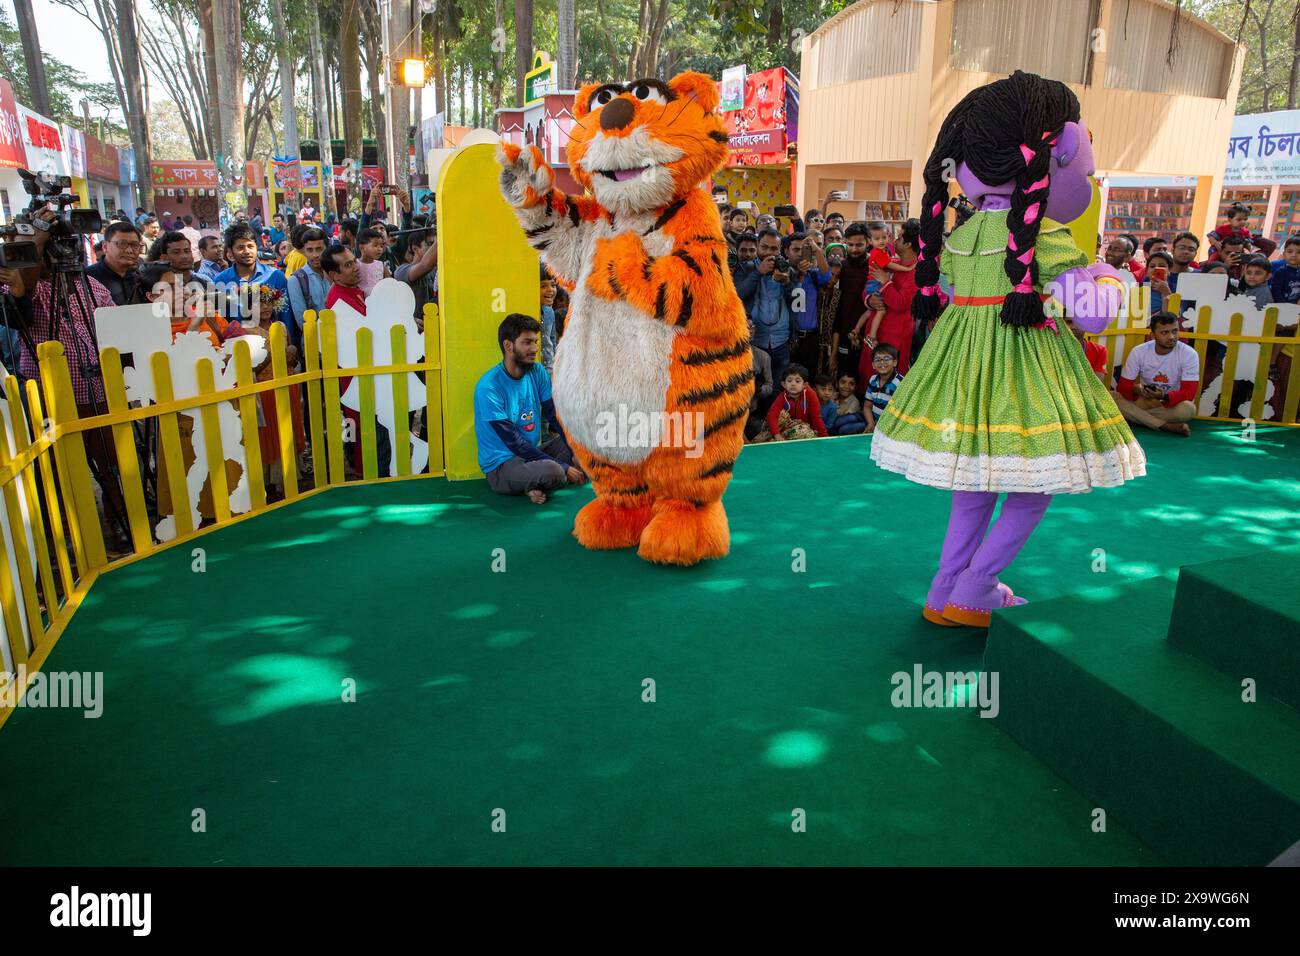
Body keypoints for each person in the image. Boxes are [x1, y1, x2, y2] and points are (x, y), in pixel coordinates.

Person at [870, 70, 1144, 629]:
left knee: (973, 483)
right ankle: (976, 588)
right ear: (1060, 152)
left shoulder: (962, 234)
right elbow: (1091, 315)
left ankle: (943, 587)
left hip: (965, 371)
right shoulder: (1046, 236)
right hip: (1026, 374)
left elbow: (949, 289)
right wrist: (1113, 278)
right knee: (1031, 486)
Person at [473, 313, 584, 503]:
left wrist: (575, 452)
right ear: (509, 346)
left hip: (531, 454)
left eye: (535, 341)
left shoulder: (537, 371)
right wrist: (565, 467)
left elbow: (555, 416)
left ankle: (532, 483)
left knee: (581, 443)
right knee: (554, 471)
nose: (534, 348)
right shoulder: (489, 387)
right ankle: (532, 481)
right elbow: (514, 443)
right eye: (527, 342)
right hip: (502, 464)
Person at [1113, 311, 1197, 436]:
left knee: (1188, 409)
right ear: (1152, 335)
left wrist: (1163, 396)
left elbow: (1189, 392)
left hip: (1169, 404)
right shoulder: (1139, 352)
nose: (1172, 337)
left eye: (1174, 331)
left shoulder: (1189, 354)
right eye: (1165, 332)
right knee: (1111, 396)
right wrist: (1136, 389)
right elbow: (1123, 387)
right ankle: (1164, 425)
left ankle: (1134, 417)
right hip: (1144, 400)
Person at [860, 218, 921, 375]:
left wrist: (886, 282)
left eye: (899, 237)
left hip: (893, 338)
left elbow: (901, 303)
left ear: (908, 244)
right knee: (868, 382)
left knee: (886, 387)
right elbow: (869, 286)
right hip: (875, 331)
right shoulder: (891, 261)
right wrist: (869, 300)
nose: (893, 240)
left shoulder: (916, 272)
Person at [734, 227, 797, 378]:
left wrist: (787, 282)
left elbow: (796, 301)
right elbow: (738, 296)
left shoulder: (787, 269)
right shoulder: (745, 268)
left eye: (774, 248)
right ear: (758, 246)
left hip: (781, 341)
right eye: (764, 247)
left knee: (778, 387)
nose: (769, 252)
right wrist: (758, 272)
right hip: (754, 341)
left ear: (780, 249)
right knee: (754, 389)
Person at [213, 223, 290, 336]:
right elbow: (219, 321)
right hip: (238, 346)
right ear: (230, 252)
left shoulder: (275, 276)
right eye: (240, 247)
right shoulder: (220, 281)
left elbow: (285, 315)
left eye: (250, 246)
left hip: (275, 343)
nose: (247, 251)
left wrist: (289, 344)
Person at [831, 222, 873, 386]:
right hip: (844, 333)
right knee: (843, 380)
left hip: (869, 332)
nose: (855, 249)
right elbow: (837, 308)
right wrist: (834, 351)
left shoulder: (875, 266)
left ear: (868, 242)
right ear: (845, 243)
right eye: (851, 245)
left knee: (865, 379)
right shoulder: (841, 268)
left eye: (859, 245)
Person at [783, 231, 830, 374]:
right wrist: (798, 276)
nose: (799, 254)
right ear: (786, 251)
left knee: (807, 377)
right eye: (795, 249)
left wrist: (817, 249)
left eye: (802, 250)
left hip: (810, 338)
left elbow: (826, 275)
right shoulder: (783, 273)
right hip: (788, 337)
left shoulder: (813, 274)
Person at [284, 226, 329, 353]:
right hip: (315, 350)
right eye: (310, 250)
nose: (315, 255)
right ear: (304, 251)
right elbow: (303, 323)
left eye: (319, 249)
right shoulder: (297, 280)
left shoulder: (336, 273)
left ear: (327, 248)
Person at [86, 220, 144, 306]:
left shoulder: (142, 276)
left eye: (135, 245)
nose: (129, 251)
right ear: (105, 246)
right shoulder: (88, 278)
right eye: (122, 244)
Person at [764, 364, 827, 440]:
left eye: (797, 381)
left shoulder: (811, 395)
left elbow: (816, 418)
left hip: (804, 429)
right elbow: (772, 415)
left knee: (804, 432)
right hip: (786, 429)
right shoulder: (782, 396)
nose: (793, 384)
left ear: (804, 385)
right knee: (779, 416)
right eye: (789, 381)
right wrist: (776, 434)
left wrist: (825, 438)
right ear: (784, 384)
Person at [393, 228, 438, 326]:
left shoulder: (435, 270)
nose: (434, 249)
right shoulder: (402, 271)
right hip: (412, 331)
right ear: (415, 248)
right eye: (430, 244)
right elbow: (425, 265)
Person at [863, 343, 903, 432]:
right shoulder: (873, 380)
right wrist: (871, 423)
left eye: (886, 359)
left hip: (892, 429)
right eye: (878, 360)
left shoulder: (900, 383)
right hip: (875, 423)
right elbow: (867, 406)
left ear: (895, 362)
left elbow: (901, 414)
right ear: (873, 364)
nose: (882, 363)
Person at [355, 227, 390, 296]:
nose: (379, 249)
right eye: (375, 245)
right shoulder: (356, 265)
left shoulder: (381, 265)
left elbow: (389, 282)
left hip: (379, 299)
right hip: (361, 301)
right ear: (362, 248)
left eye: (381, 246)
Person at [539, 266, 558, 372]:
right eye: (543, 286)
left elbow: (552, 340)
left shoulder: (550, 313)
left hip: (549, 369)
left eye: (553, 285)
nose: (550, 290)